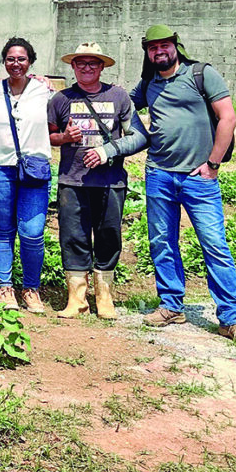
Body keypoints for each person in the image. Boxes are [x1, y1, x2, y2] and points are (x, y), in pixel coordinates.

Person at [130, 25, 236, 348]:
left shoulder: (201, 74)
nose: (159, 51)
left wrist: (213, 164)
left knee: (214, 244)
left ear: (176, 46)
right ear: (147, 53)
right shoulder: (148, 84)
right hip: (159, 173)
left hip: (199, 178)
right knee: (162, 242)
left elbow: (227, 118)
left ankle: (231, 318)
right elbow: (118, 102)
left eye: (164, 45)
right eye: (152, 47)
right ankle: (172, 306)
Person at [48, 42, 146, 320]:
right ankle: (76, 298)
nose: (87, 68)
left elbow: (139, 137)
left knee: (108, 236)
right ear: (73, 67)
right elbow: (49, 136)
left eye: (93, 63)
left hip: (111, 180)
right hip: (72, 181)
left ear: (102, 66)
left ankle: (105, 297)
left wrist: (108, 151)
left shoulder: (119, 97)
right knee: (73, 238)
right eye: (81, 63)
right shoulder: (60, 99)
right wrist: (65, 138)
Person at [0, 38, 51, 314]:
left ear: (31, 62)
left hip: (35, 169)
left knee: (32, 233)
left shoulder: (44, 91)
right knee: (3, 230)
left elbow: (60, 119)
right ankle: (5, 287)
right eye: (10, 59)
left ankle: (31, 288)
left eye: (22, 59)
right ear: (4, 62)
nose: (16, 64)